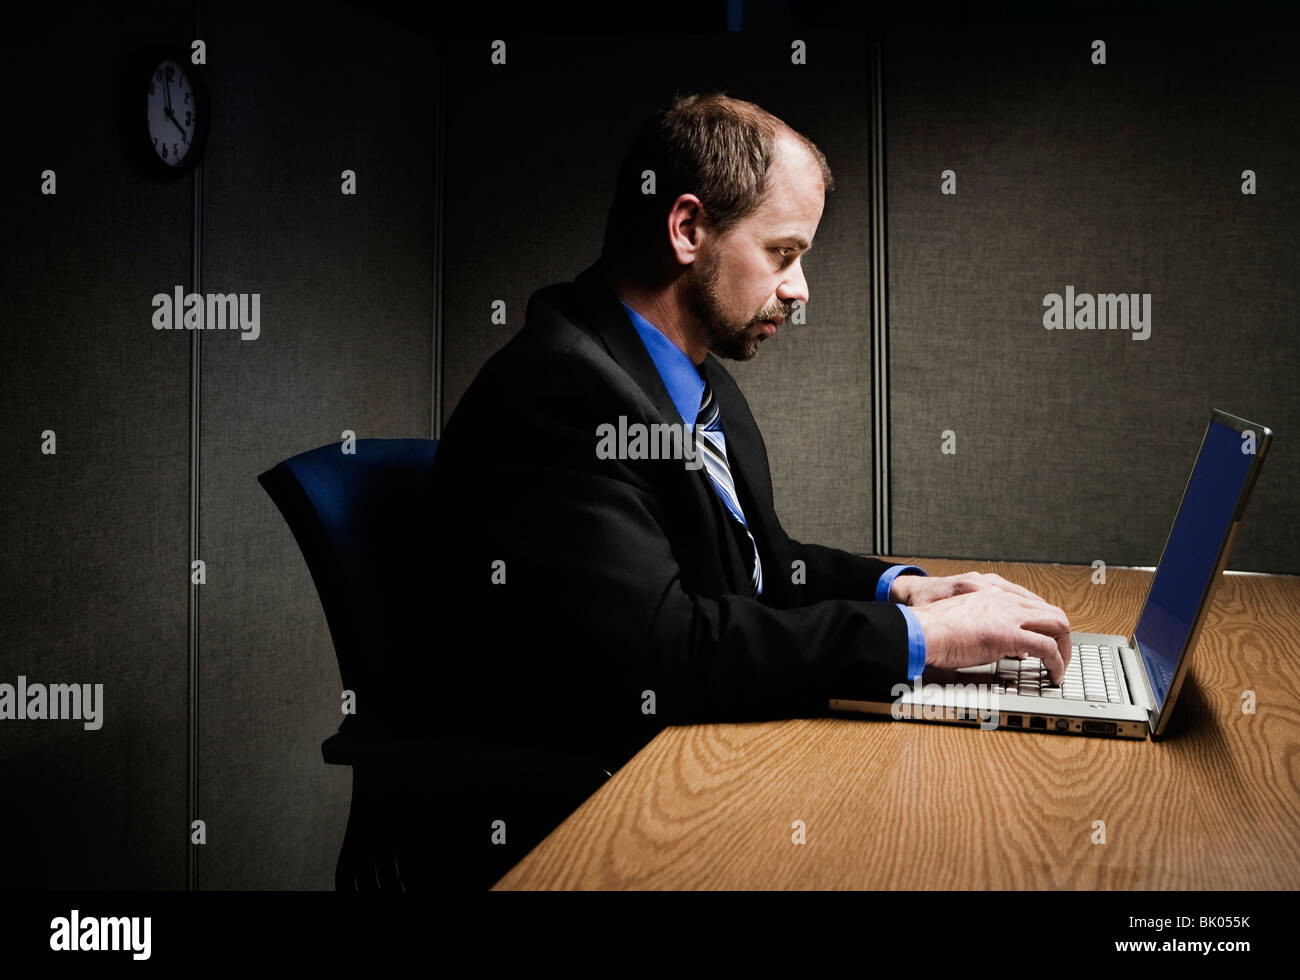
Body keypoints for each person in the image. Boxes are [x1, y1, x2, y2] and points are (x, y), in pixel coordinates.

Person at [428, 92, 1071, 775]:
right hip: (589, 801)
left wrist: (900, 591)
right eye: (782, 251)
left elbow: (758, 566)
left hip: (693, 753)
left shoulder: (695, 381)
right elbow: (662, 649)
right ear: (687, 229)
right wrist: (917, 639)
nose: (800, 290)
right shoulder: (561, 391)